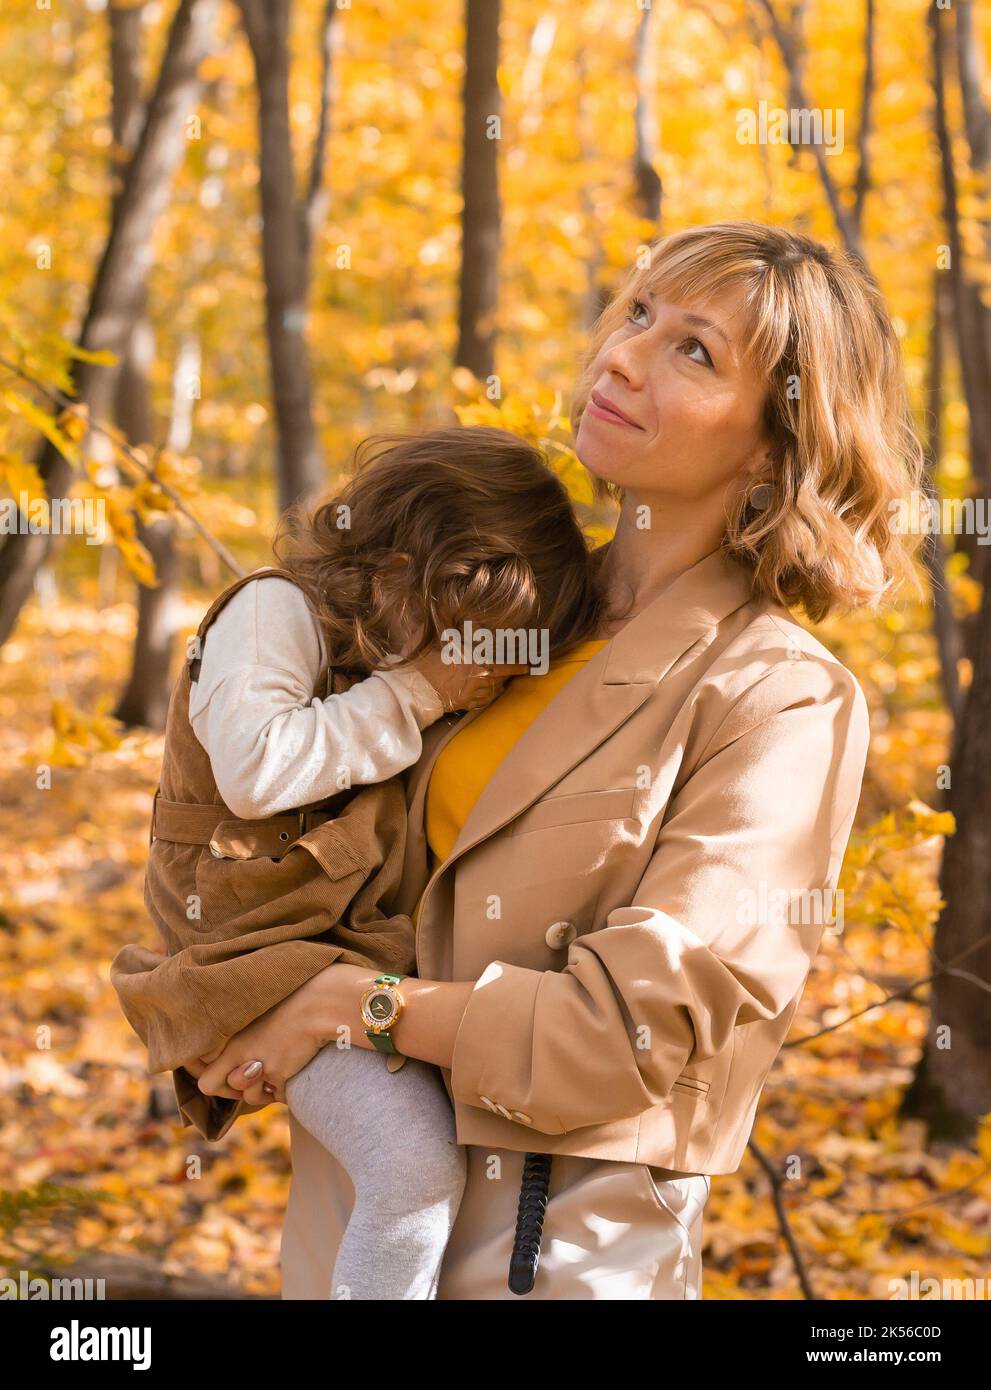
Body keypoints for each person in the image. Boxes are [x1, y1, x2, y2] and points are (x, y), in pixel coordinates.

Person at [192, 221, 927, 1299]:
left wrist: (354, 1004)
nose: (623, 356)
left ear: (774, 449)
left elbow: (621, 1034)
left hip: (553, 1257)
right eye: (637, 313)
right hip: (348, 1234)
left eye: (695, 351)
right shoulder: (486, 620)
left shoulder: (780, 696)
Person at [110, 425, 607, 1300]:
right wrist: (420, 690)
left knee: (430, 1148)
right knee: (412, 1167)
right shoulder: (272, 612)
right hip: (245, 954)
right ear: (411, 565)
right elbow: (258, 769)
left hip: (334, 951)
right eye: (468, 635)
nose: (470, 669)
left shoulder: (378, 661)